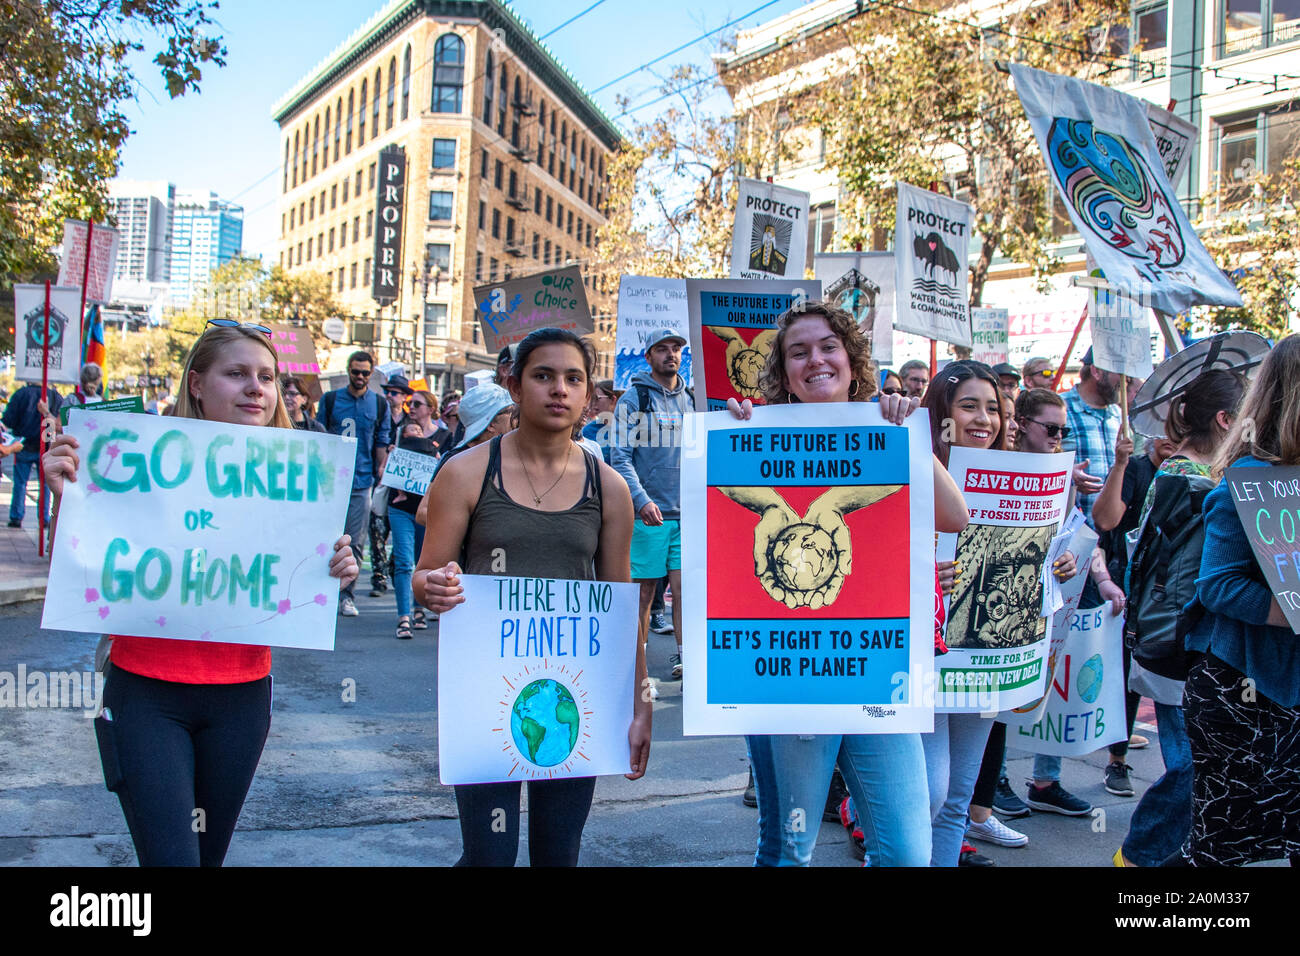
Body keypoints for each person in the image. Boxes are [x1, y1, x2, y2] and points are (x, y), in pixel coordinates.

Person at [41, 320, 357, 865]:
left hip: (242, 698)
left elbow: (296, 576)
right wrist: (68, 496)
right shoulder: (131, 461)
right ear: (196, 383)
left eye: (267, 376)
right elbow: (88, 567)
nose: (256, 387)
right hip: (145, 693)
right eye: (236, 374)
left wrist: (337, 567)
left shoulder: (300, 477)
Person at [727, 301, 969, 867]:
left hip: (877, 665)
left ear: (851, 358)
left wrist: (911, 436)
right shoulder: (750, 430)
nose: (816, 360)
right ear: (783, 370)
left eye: (828, 346)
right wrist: (728, 436)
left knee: (908, 853)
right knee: (791, 847)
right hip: (789, 666)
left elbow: (954, 515)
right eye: (798, 352)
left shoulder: (889, 427)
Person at [414, 327, 650, 867]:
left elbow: (620, 611)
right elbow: (424, 576)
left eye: (573, 379)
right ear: (514, 387)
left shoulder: (609, 487)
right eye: (543, 376)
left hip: (574, 698)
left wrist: (642, 704)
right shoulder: (467, 472)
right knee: (488, 857)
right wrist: (434, 587)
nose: (559, 390)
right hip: (483, 693)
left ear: (590, 396)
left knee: (557, 854)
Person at [1167, 340, 1300, 866]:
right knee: (1221, 848)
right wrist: (1290, 608)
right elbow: (1218, 586)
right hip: (1243, 693)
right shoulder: (1246, 487)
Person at [1107, 368, 1245, 866]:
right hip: (1178, 645)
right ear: (1228, 419)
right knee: (1191, 768)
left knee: (1204, 768)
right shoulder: (1189, 480)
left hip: (1187, 643)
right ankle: (1138, 858)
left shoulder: (1200, 476)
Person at [967, 388, 1080, 849]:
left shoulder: (1055, 476)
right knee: (936, 773)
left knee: (990, 722)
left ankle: (973, 817)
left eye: (998, 411)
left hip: (1005, 629)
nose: (997, 422)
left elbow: (1053, 546)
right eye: (1048, 429)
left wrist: (1063, 561)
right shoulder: (942, 458)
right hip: (951, 631)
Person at [924, 360, 1009, 867]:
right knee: (928, 791)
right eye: (970, 406)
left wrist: (1057, 565)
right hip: (929, 657)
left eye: (994, 408)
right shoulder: (915, 464)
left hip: (988, 655)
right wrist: (924, 578)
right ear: (941, 413)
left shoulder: (1022, 474)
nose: (984, 419)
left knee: (957, 797)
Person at [610, 328, 693, 680]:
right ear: (649, 356)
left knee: (686, 595)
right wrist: (641, 500)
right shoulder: (633, 399)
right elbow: (620, 457)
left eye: (676, 348)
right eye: (662, 349)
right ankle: (637, 666)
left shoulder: (693, 399)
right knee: (643, 596)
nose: (671, 354)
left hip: (688, 515)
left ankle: (686, 662)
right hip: (649, 518)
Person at [317, 351, 392, 617]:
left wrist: (380, 475)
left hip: (361, 481)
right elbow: (320, 436)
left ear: (371, 375)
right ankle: (320, 592)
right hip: (330, 481)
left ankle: (346, 595)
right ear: (348, 370)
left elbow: (382, 441)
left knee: (355, 542)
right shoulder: (330, 400)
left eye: (364, 373)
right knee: (324, 538)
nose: (359, 377)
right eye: (355, 371)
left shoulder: (380, 405)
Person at [3, 380, 62, 528]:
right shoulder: (54, 396)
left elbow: (8, 421)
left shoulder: (20, 395)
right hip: (47, 444)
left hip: (23, 444)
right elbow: (60, 423)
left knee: (20, 482)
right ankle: (44, 518)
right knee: (46, 484)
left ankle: (16, 517)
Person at [580, 379, 619, 464]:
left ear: (613, 400)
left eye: (597, 398)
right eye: (591, 398)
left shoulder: (630, 430)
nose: (592, 403)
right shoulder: (587, 430)